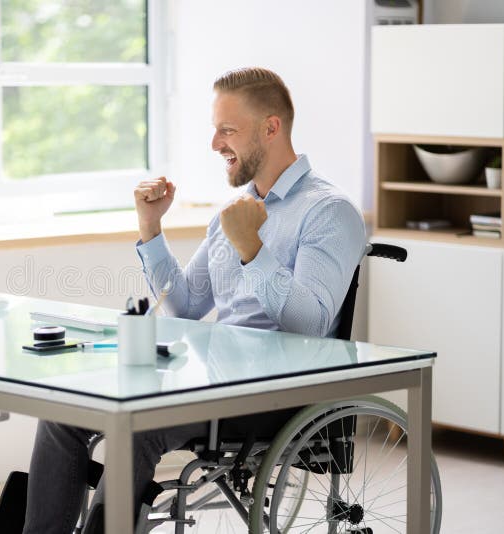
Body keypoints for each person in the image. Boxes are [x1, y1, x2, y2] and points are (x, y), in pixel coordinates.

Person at [22, 67, 366, 534]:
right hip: (214, 376)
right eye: (214, 129)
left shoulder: (329, 211)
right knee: (64, 410)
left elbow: (309, 322)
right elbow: (185, 306)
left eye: (228, 131)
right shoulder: (233, 212)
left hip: (276, 392)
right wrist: (151, 228)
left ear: (271, 127)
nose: (215, 144)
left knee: (134, 424)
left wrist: (253, 250)